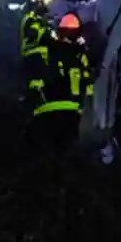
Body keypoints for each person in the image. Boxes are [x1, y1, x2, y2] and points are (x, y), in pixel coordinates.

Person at [29, 12, 93, 149]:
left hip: (45, 112)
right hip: (73, 114)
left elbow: (32, 78)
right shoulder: (81, 56)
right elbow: (88, 85)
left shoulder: (45, 51)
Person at [20, 0, 51, 101]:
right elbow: (35, 36)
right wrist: (47, 32)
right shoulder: (31, 20)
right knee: (37, 83)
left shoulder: (38, 20)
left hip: (38, 56)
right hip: (34, 55)